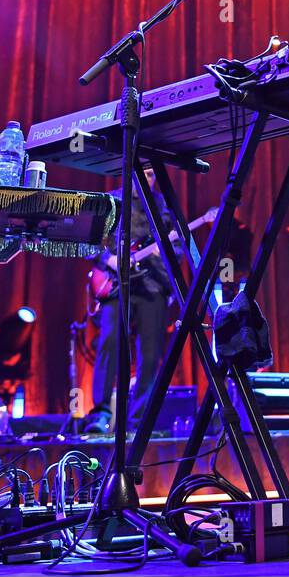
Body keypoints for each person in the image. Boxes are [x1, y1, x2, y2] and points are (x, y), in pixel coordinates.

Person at [82, 174, 176, 436]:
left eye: (152, 174)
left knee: (151, 353)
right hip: (115, 285)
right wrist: (108, 259)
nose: (149, 179)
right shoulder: (112, 200)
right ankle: (100, 414)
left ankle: (139, 420)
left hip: (152, 283)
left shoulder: (162, 205)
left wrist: (165, 253)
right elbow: (90, 241)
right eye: (143, 174)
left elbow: (175, 245)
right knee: (109, 342)